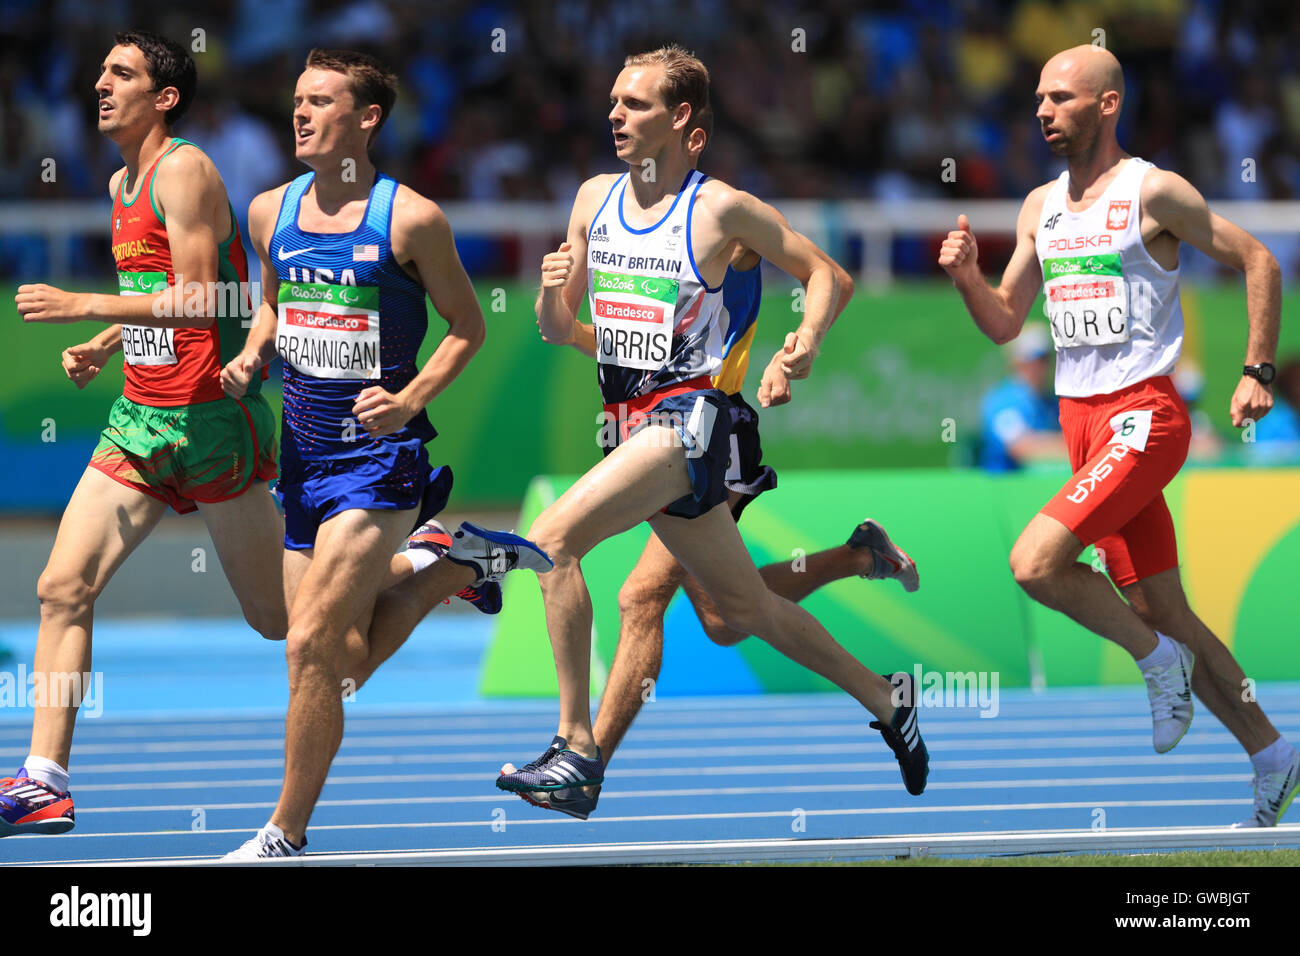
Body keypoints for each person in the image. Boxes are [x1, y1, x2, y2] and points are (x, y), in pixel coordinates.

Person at [499, 45, 929, 804]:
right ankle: (887, 700)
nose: (614, 114)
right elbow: (564, 331)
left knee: (554, 542)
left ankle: (575, 750)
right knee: (739, 613)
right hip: (629, 428)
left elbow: (828, 274)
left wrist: (805, 341)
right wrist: (549, 297)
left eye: (635, 104)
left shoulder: (722, 208)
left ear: (681, 119)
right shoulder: (592, 199)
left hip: (698, 423)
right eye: (613, 101)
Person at [939, 44, 1297, 827]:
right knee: (1164, 607)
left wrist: (1256, 371)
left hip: (1145, 414)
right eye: (1038, 97)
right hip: (1079, 420)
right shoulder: (1038, 207)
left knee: (1034, 563)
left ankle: (1154, 662)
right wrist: (968, 277)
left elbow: (1259, 259)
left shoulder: (1153, 191)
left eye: (1061, 97)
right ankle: (1273, 751)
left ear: (1107, 105)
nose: (1042, 109)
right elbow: (1006, 320)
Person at [218, 49, 551, 859]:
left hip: (380, 460)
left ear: (366, 119)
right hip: (303, 460)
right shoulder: (268, 210)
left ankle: (283, 834)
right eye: (296, 99)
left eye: (320, 101)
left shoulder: (411, 221)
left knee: (309, 651)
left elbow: (468, 327)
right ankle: (452, 564)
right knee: (339, 659)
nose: (299, 114)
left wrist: (408, 401)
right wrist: (255, 351)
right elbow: (274, 304)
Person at [3, 31, 286, 837]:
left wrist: (86, 306)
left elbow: (201, 298)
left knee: (281, 620)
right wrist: (110, 341)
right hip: (138, 421)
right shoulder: (122, 180)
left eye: (120, 74)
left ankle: (431, 562)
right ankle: (44, 781)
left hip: (209, 423)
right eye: (98, 73)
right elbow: (159, 297)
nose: (99, 85)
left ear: (164, 97)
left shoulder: (185, 170)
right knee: (63, 588)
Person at [979, 323, 1066, 472]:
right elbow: (1021, 448)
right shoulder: (1002, 403)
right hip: (1004, 488)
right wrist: (1070, 447)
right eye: (1031, 361)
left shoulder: (1052, 402)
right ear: (1016, 363)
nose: (1039, 367)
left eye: (1044, 359)